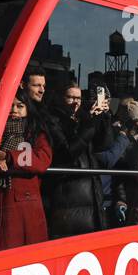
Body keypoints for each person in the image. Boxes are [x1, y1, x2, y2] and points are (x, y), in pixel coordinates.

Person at [0, 88, 53, 251]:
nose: (14, 110)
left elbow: (42, 159)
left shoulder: (35, 133)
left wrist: (8, 157)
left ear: (28, 109)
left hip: (24, 207)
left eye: (20, 106)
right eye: (10, 105)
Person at [45, 82, 111, 238]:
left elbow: (104, 146)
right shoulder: (53, 120)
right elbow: (68, 153)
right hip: (69, 196)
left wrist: (104, 118)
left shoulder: (84, 117)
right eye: (70, 97)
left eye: (79, 98)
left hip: (91, 193)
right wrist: (90, 124)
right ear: (61, 98)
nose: (76, 102)